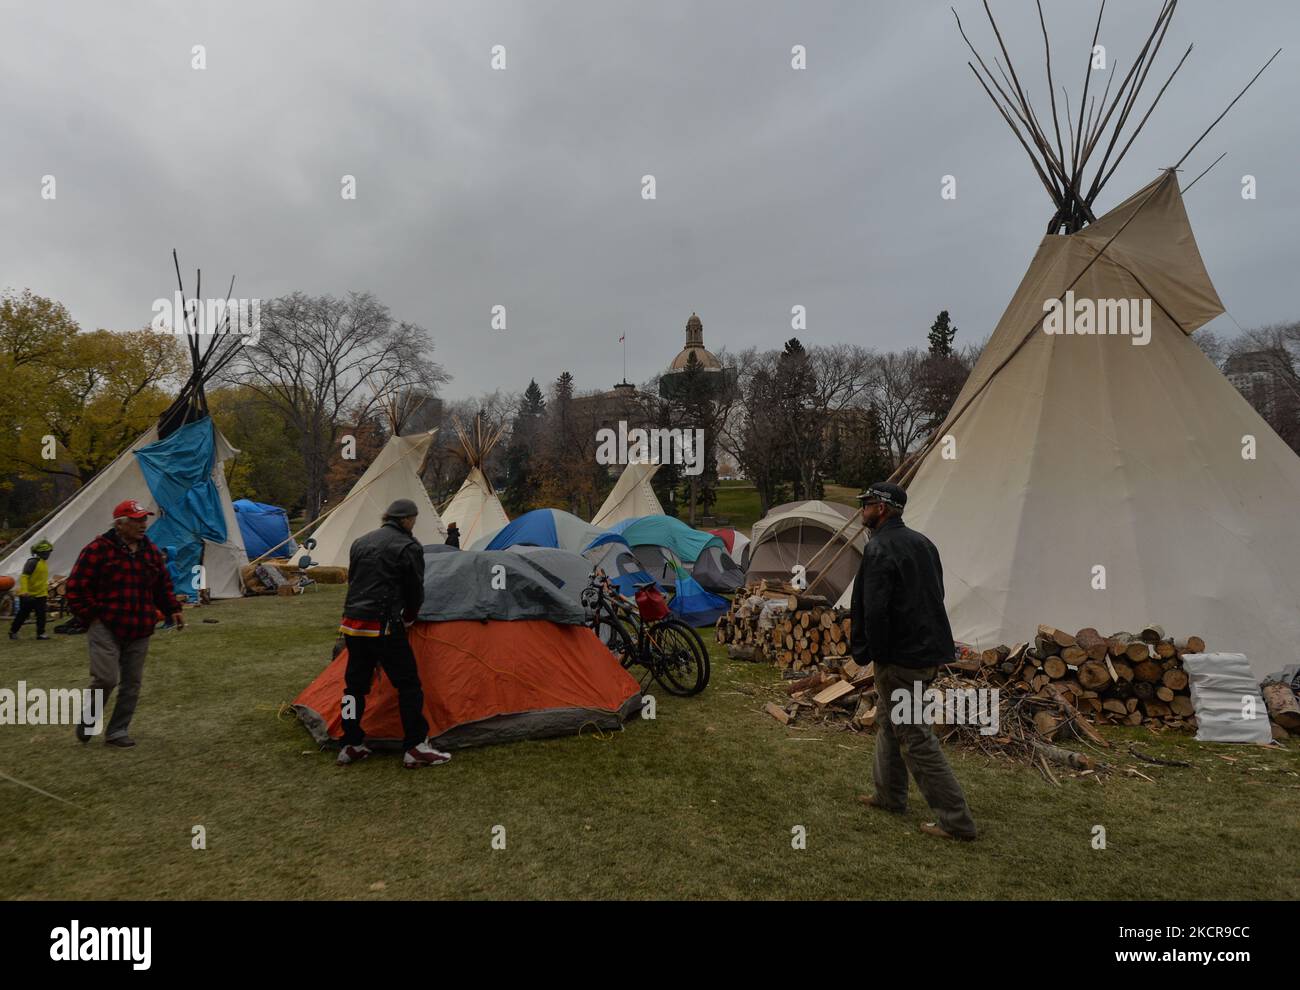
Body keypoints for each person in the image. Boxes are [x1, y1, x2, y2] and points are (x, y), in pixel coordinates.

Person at [850, 481, 977, 841]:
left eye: (868, 503)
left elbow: (875, 611)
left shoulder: (880, 548)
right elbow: (934, 595)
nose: (864, 509)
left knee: (915, 736)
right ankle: (889, 795)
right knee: (892, 722)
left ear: (883, 509)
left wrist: (875, 652)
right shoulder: (924, 544)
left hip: (901, 658)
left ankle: (956, 820)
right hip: (924, 652)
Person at [336, 498, 450, 769]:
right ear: (407, 519)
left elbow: (355, 582)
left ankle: (350, 742)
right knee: (409, 685)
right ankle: (415, 745)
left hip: (352, 624)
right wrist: (409, 617)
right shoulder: (408, 547)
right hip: (384, 626)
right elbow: (414, 590)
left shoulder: (360, 542)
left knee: (354, 688)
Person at [65, 500, 184, 747]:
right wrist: (91, 616)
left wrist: (173, 609)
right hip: (106, 625)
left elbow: (162, 584)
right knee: (106, 678)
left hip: (140, 625)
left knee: (132, 683)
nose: (143, 525)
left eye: (144, 519)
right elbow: (76, 587)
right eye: (137, 520)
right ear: (120, 524)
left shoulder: (150, 551)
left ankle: (117, 731)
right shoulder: (98, 549)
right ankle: (89, 720)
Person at [9, 539, 53, 641]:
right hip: (28, 595)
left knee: (41, 615)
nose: (48, 554)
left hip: (41, 594)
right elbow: (24, 577)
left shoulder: (44, 563)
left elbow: (41, 578)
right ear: (40, 552)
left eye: (49, 552)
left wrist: (46, 589)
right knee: (23, 615)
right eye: (46, 552)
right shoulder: (32, 562)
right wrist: (24, 591)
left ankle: (41, 633)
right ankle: (13, 631)